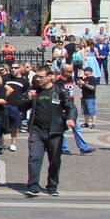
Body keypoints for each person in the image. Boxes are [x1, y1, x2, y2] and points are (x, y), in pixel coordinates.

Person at [25, 65, 76, 198]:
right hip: (37, 130)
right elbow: (21, 107)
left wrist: (70, 118)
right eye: (37, 76)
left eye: (41, 77)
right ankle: (33, 186)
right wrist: (28, 99)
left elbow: (71, 106)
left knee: (54, 160)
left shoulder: (59, 90)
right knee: (34, 157)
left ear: (49, 77)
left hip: (55, 131)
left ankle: (52, 186)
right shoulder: (34, 90)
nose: (38, 79)